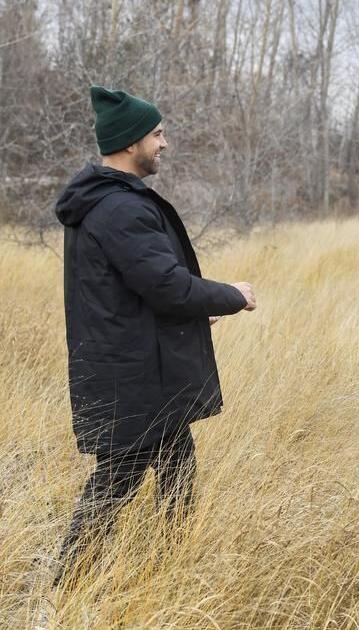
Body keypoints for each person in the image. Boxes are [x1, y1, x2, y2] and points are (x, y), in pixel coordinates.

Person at [50, 86, 257, 587]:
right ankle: (64, 588)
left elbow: (133, 293)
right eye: (157, 134)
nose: (163, 144)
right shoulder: (119, 209)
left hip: (140, 370)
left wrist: (188, 315)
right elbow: (166, 285)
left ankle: (169, 577)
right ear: (129, 143)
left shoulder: (106, 202)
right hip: (133, 380)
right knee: (115, 483)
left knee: (176, 471)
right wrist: (231, 294)